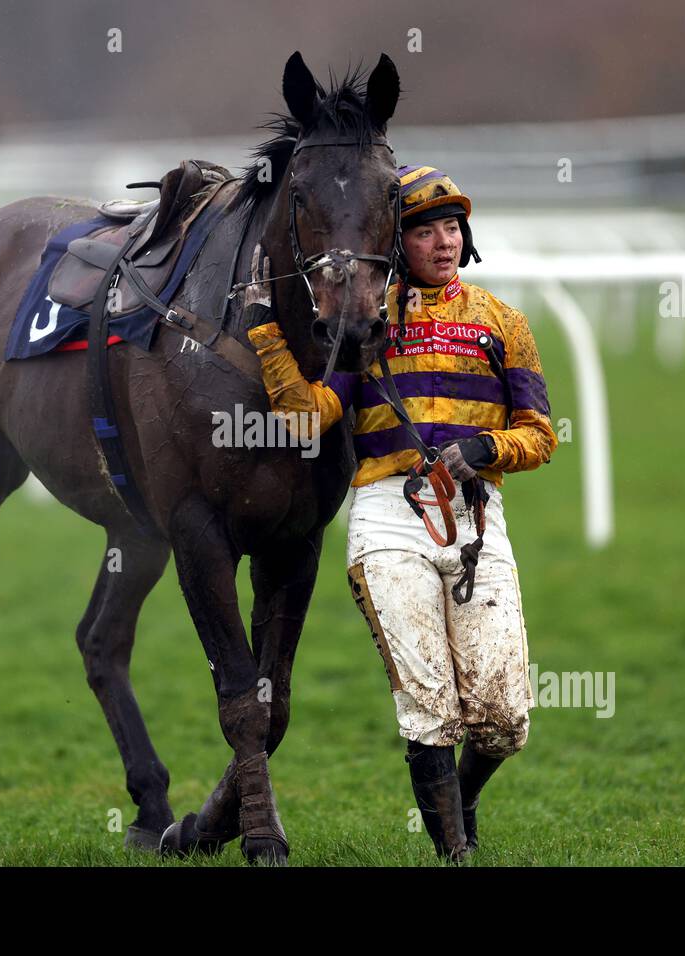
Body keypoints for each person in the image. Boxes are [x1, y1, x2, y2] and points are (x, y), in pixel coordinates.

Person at [242, 165, 558, 860]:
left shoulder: (504, 323)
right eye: (423, 230)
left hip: (477, 521)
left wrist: (486, 445)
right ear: (395, 241)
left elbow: (541, 435)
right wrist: (266, 333)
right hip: (388, 516)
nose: (443, 242)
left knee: (504, 720)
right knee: (430, 705)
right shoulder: (368, 322)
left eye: (452, 227)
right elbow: (305, 420)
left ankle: (463, 798)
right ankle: (455, 853)